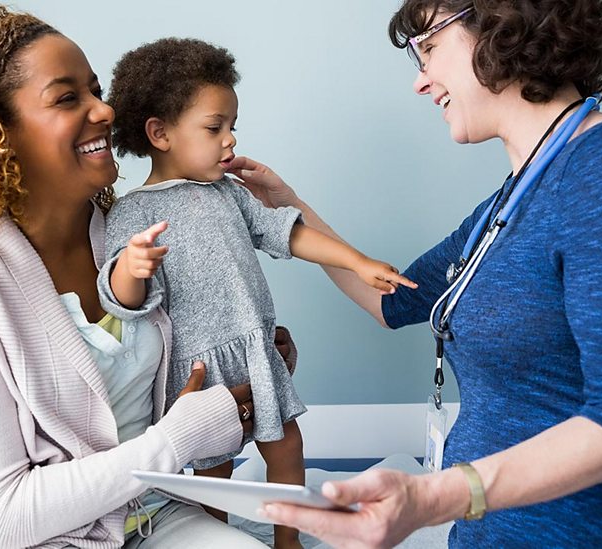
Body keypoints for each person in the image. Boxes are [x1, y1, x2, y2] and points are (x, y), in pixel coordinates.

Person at [227, 0, 602, 547]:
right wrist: (289, 205)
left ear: (502, 23)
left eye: (429, 48)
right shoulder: (502, 209)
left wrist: (436, 497)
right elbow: (390, 301)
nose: (421, 81)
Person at [0, 6, 283, 548]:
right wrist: (176, 440)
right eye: (67, 98)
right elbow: (5, 514)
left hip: (150, 515)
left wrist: (253, 362)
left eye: (95, 90)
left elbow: (189, 364)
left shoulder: (128, 236)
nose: (106, 110)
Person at [98, 37, 417, 549]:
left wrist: (357, 261)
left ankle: (288, 540)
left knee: (286, 446)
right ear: (160, 133)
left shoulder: (228, 193)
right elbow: (120, 299)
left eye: (232, 127)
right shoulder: (133, 212)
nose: (229, 140)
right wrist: (131, 270)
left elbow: (286, 232)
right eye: (214, 128)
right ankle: (214, 536)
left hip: (253, 349)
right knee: (213, 468)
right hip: (198, 365)